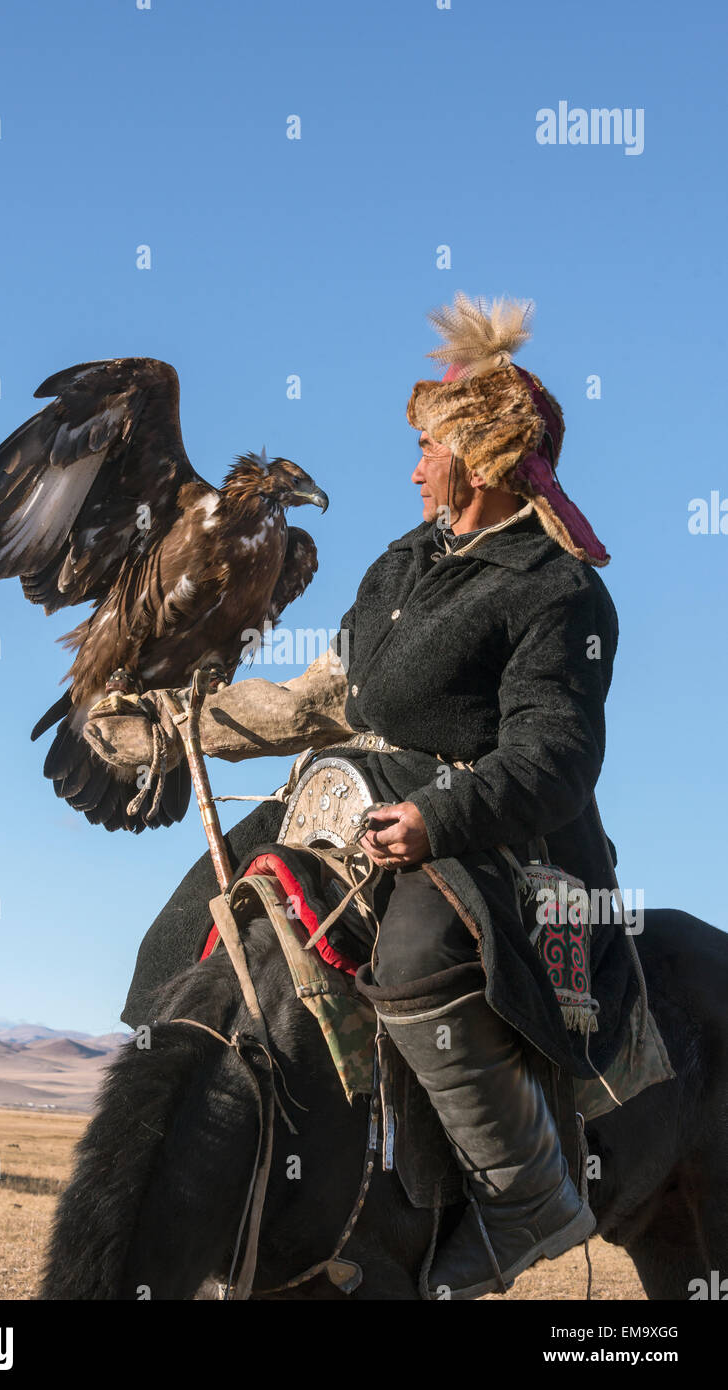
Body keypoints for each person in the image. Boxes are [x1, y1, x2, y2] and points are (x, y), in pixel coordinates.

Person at [86, 293, 635, 1299]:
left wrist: (439, 819)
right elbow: (317, 702)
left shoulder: (555, 591)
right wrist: (171, 726)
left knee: (420, 945)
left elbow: (555, 756)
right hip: (354, 807)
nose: (412, 464)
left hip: (497, 836)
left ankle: (525, 1194)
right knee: (187, 926)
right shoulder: (401, 567)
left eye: (427, 447)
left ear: (476, 460)